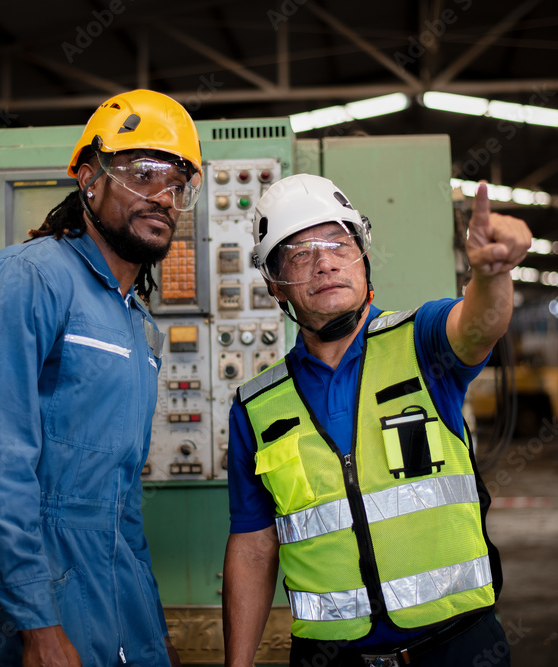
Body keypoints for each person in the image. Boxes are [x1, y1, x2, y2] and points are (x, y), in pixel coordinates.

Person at [221, 173, 532, 666]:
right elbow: (254, 546)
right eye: (300, 254)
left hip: (459, 649)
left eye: (337, 243)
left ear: (363, 257)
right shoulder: (256, 406)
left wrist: (492, 275)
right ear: (275, 286)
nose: (324, 262)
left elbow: (480, 324)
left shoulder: (421, 340)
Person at [0, 89, 203, 667]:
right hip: (29, 601)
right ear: (89, 179)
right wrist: (37, 625)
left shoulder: (133, 317)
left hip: (113, 588)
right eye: (142, 174)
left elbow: (119, 503)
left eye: (177, 185)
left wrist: (148, 630)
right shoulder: (29, 279)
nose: (163, 197)